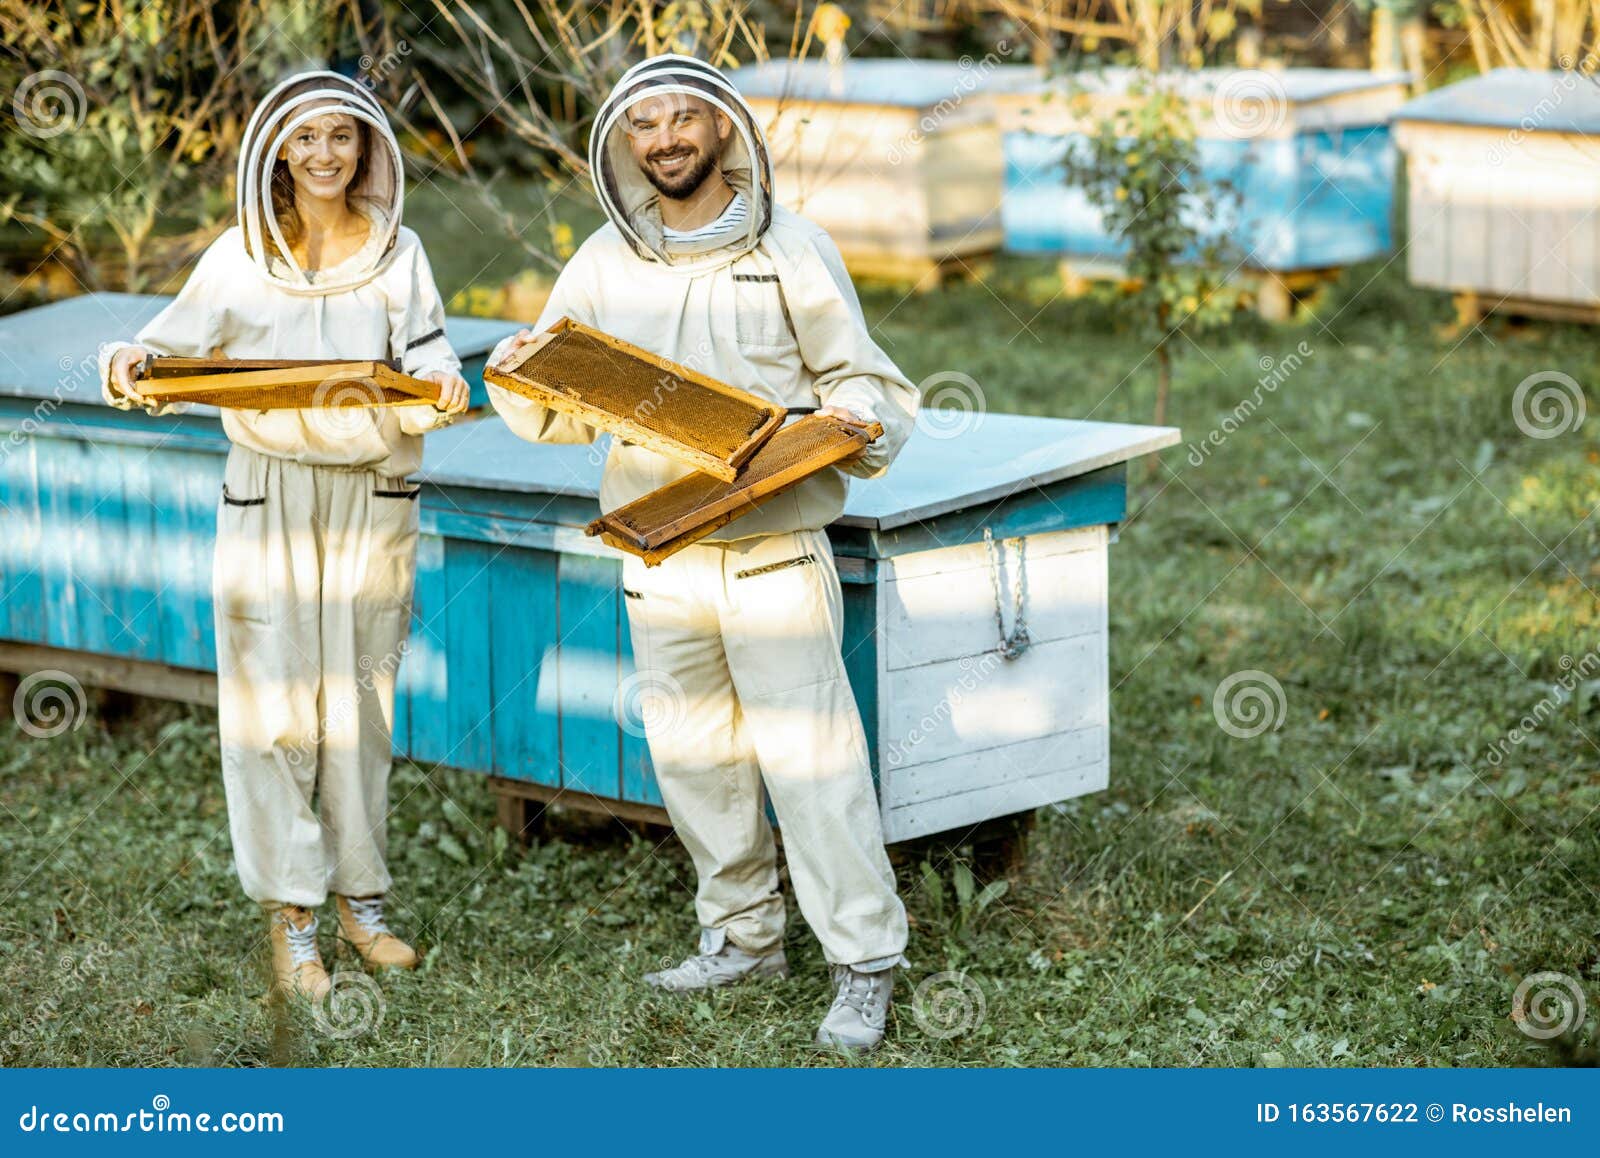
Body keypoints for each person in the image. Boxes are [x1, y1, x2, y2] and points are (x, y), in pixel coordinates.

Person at [487, 55, 920, 1051]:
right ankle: (741, 937)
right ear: (625, 143)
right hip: (659, 553)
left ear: (724, 130)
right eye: (646, 122)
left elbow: (866, 382)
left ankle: (864, 961)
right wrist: (520, 372)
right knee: (695, 759)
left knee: (810, 760)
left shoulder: (795, 250)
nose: (667, 136)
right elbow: (555, 412)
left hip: (769, 549)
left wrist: (851, 415)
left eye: (685, 116)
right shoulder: (602, 260)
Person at [98, 71, 470, 1001]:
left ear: (367, 148)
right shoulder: (237, 256)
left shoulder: (398, 249)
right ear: (274, 153)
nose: (323, 155)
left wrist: (445, 380)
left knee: (358, 708)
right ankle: (293, 918)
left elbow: (425, 349)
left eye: (341, 136)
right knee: (271, 711)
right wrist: (128, 362)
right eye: (304, 139)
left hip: (372, 494)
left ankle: (362, 901)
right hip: (268, 493)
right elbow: (157, 350)